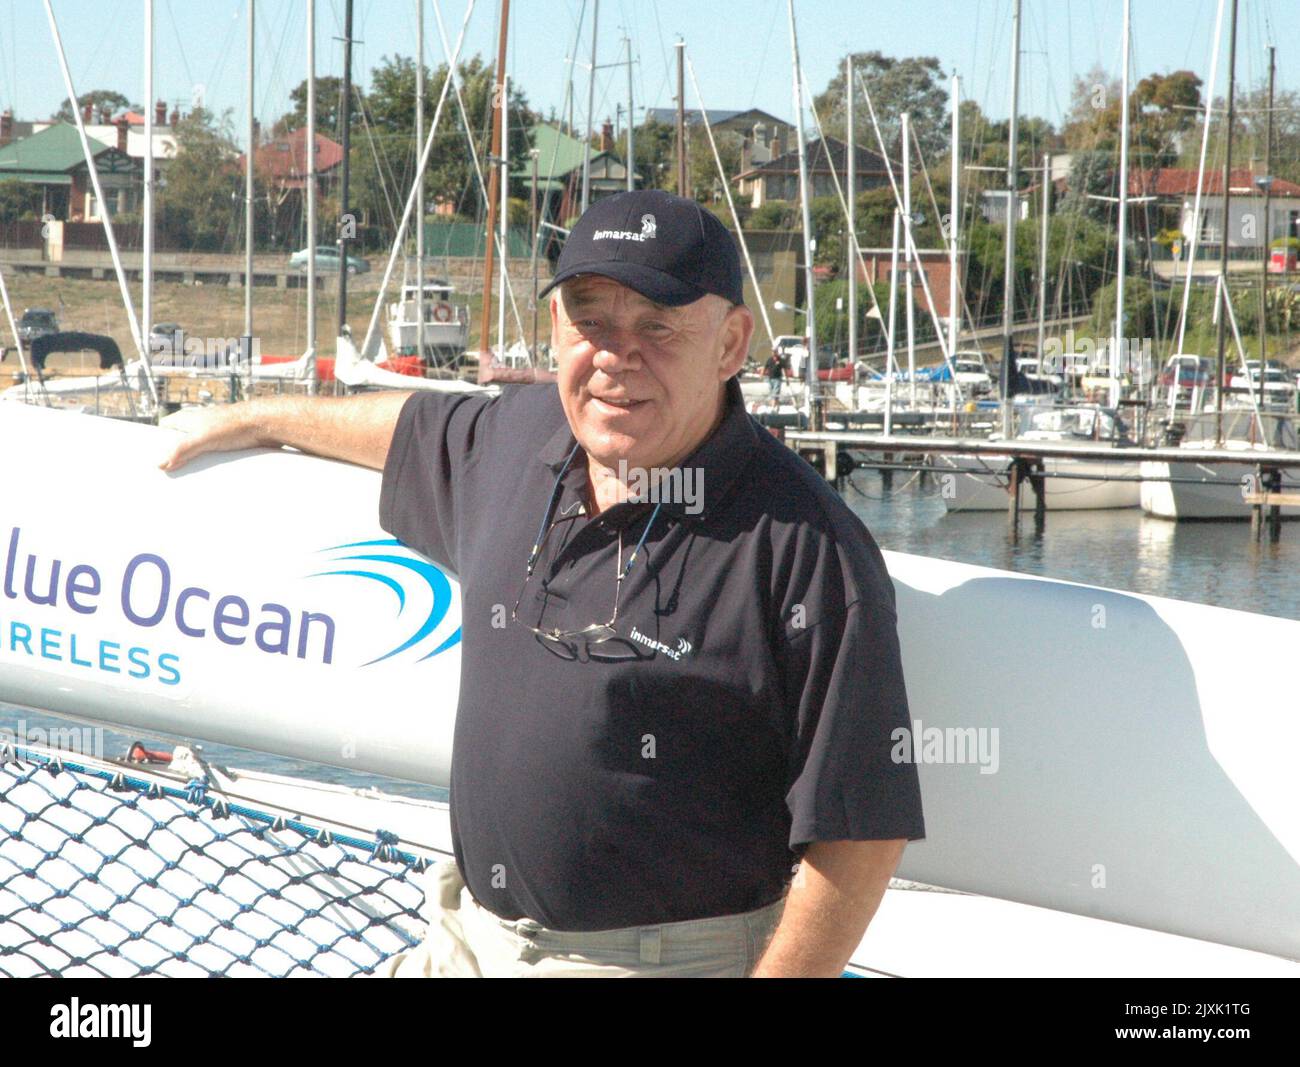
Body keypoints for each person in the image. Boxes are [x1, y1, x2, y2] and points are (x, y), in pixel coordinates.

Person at [160, 189, 924, 978]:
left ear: (731, 344)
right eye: (589, 320)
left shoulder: (808, 546)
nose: (616, 356)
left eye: (658, 326)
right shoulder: (520, 435)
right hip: (465, 939)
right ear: (556, 329)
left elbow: (861, 831)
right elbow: (407, 427)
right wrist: (254, 418)